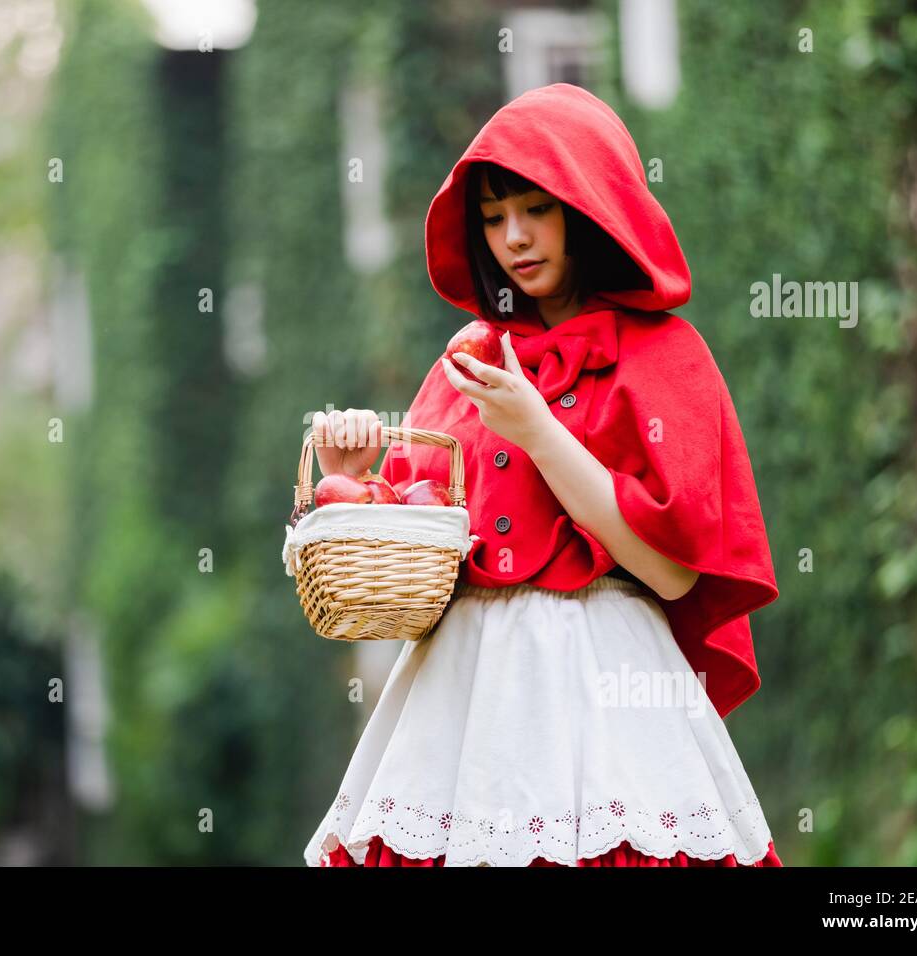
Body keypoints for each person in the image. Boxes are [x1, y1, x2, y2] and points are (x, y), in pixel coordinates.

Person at [303, 83, 782, 867]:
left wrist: (538, 432)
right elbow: (419, 564)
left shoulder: (664, 358)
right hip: (463, 718)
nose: (514, 238)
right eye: (492, 218)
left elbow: (667, 573)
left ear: (588, 208)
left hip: (609, 697)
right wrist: (356, 486)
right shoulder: (469, 362)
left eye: (535, 208)